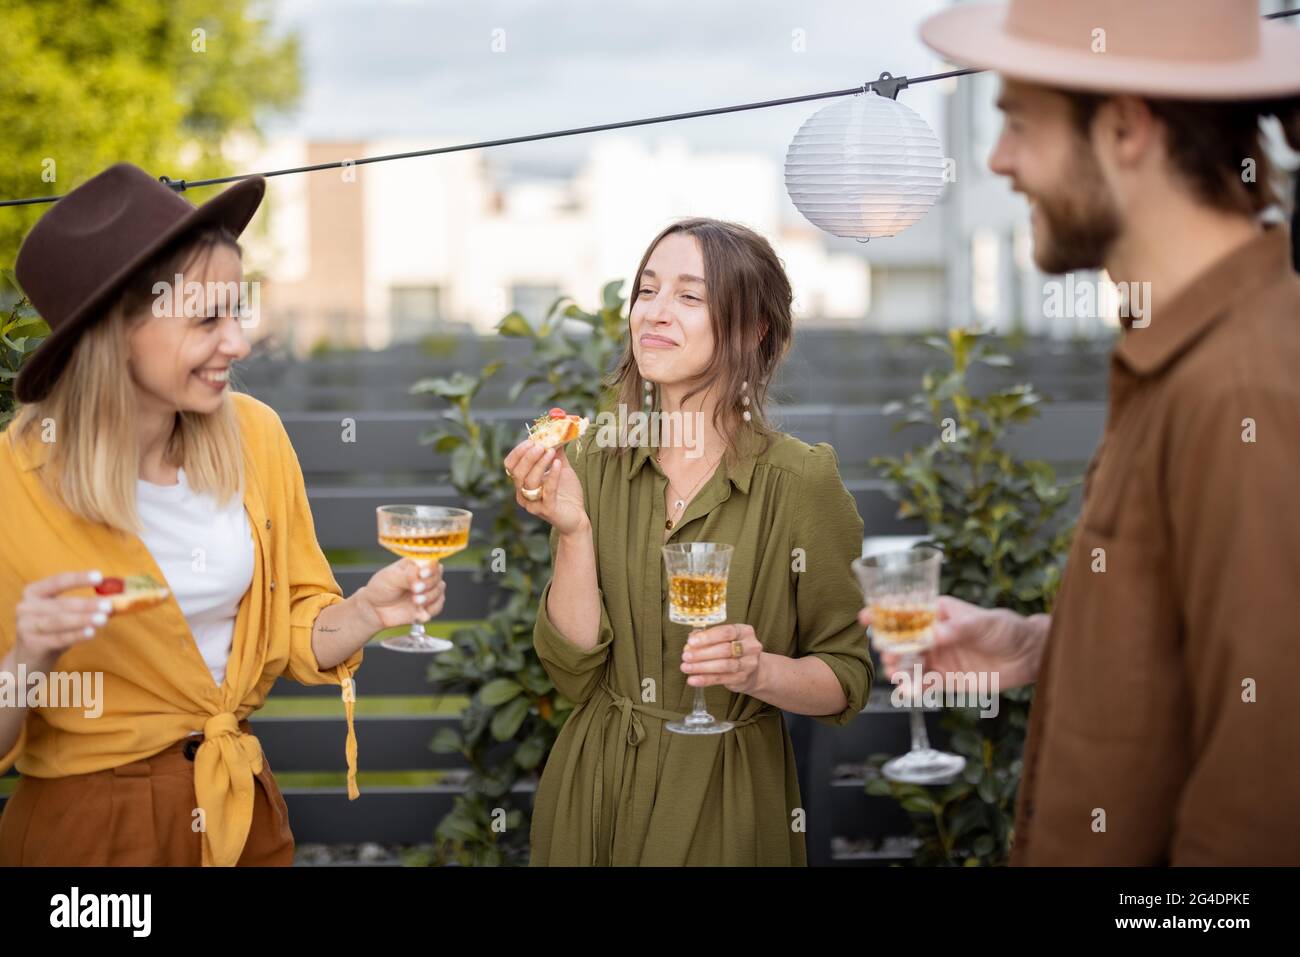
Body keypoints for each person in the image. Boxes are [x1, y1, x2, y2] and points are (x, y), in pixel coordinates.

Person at [863, 0, 1300, 864]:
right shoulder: (1189, 355)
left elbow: (1262, 809)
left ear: (1126, 128)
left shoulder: (1247, 385)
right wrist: (1036, 643)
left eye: (1019, 122)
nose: (999, 160)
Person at [0, 164, 445, 865]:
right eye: (206, 318)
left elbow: (297, 618)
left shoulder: (254, 435)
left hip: (240, 815)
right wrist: (31, 657)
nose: (237, 344)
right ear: (113, 330)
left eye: (235, 310)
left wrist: (365, 610)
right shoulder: (13, 486)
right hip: (89, 836)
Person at [505, 217, 871, 865]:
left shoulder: (801, 481)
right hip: (594, 790)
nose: (655, 312)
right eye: (647, 291)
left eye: (689, 296)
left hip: (727, 800)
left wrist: (759, 670)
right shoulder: (593, 459)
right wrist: (573, 530)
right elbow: (572, 670)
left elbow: (845, 677)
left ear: (754, 327)